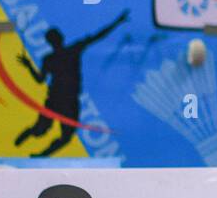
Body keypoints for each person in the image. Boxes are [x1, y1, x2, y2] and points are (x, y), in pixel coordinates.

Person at [14, 10, 130, 157]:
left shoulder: (49, 58)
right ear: (61, 38)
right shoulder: (72, 50)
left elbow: (39, 80)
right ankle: (40, 151)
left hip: (57, 99)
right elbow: (97, 37)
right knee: (64, 137)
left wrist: (28, 66)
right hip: (67, 100)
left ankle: (34, 141)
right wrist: (117, 22)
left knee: (41, 130)